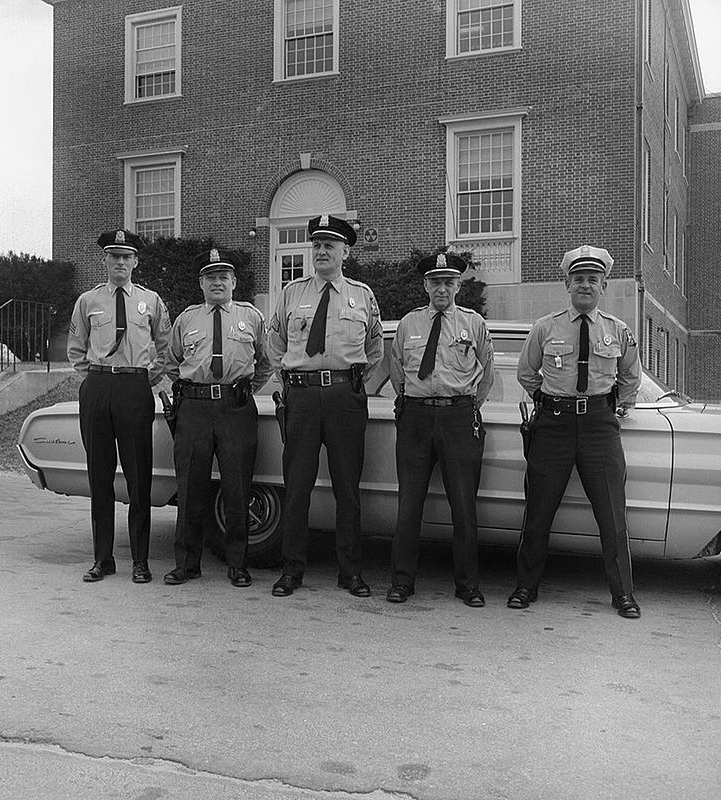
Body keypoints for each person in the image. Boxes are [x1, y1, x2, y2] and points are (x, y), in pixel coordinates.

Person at [509, 245, 642, 618]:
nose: (586, 285)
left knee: (612, 514)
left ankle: (623, 595)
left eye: (593, 280)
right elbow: (526, 372)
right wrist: (547, 401)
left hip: (600, 426)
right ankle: (525, 586)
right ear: (566, 284)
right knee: (538, 510)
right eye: (579, 279)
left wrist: (619, 404)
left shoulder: (618, 330)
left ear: (604, 286)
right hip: (553, 424)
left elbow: (631, 374)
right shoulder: (545, 327)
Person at [267, 214, 383, 597]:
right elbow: (275, 345)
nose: (320, 252)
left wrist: (347, 386)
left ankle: (350, 572)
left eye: (329, 245)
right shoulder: (291, 293)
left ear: (345, 251)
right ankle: (291, 569)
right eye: (316, 245)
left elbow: (375, 351)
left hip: (344, 399)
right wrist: (294, 380)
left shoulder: (362, 296)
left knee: (347, 488)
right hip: (301, 397)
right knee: (296, 485)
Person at [386, 252, 494, 606]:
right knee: (409, 504)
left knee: (463, 506)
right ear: (425, 286)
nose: (442, 288)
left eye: (448, 282)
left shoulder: (473, 323)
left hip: (458, 417)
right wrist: (408, 402)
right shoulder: (409, 324)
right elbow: (396, 367)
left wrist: (469, 407)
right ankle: (402, 581)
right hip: (416, 417)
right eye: (435, 282)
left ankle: (468, 585)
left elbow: (487, 372)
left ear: (458, 285)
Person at [67, 229, 171, 583]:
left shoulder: (151, 301)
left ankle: (140, 561)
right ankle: (103, 559)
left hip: (134, 387)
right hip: (98, 386)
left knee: (138, 475)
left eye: (127, 257)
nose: (120, 263)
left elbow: (166, 345)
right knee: (100, 476)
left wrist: (147, 378)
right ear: (105, 261)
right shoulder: (88, 301)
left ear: (136, 262)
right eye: (114, 256)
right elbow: (76, 348)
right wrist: (94, 378)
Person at [162, 249, 270, 587]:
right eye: (211, 277)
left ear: (234, 282)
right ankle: (187, 563)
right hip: (194, 409)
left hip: (235, 409)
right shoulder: (187, 319)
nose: (217, 282)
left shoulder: (251, 317)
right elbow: (170, 362)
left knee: (236, 486)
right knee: (191, 487)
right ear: (201, 283)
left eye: (223, 276)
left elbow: (267, 361)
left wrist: (243, 389)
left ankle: (237, 563)